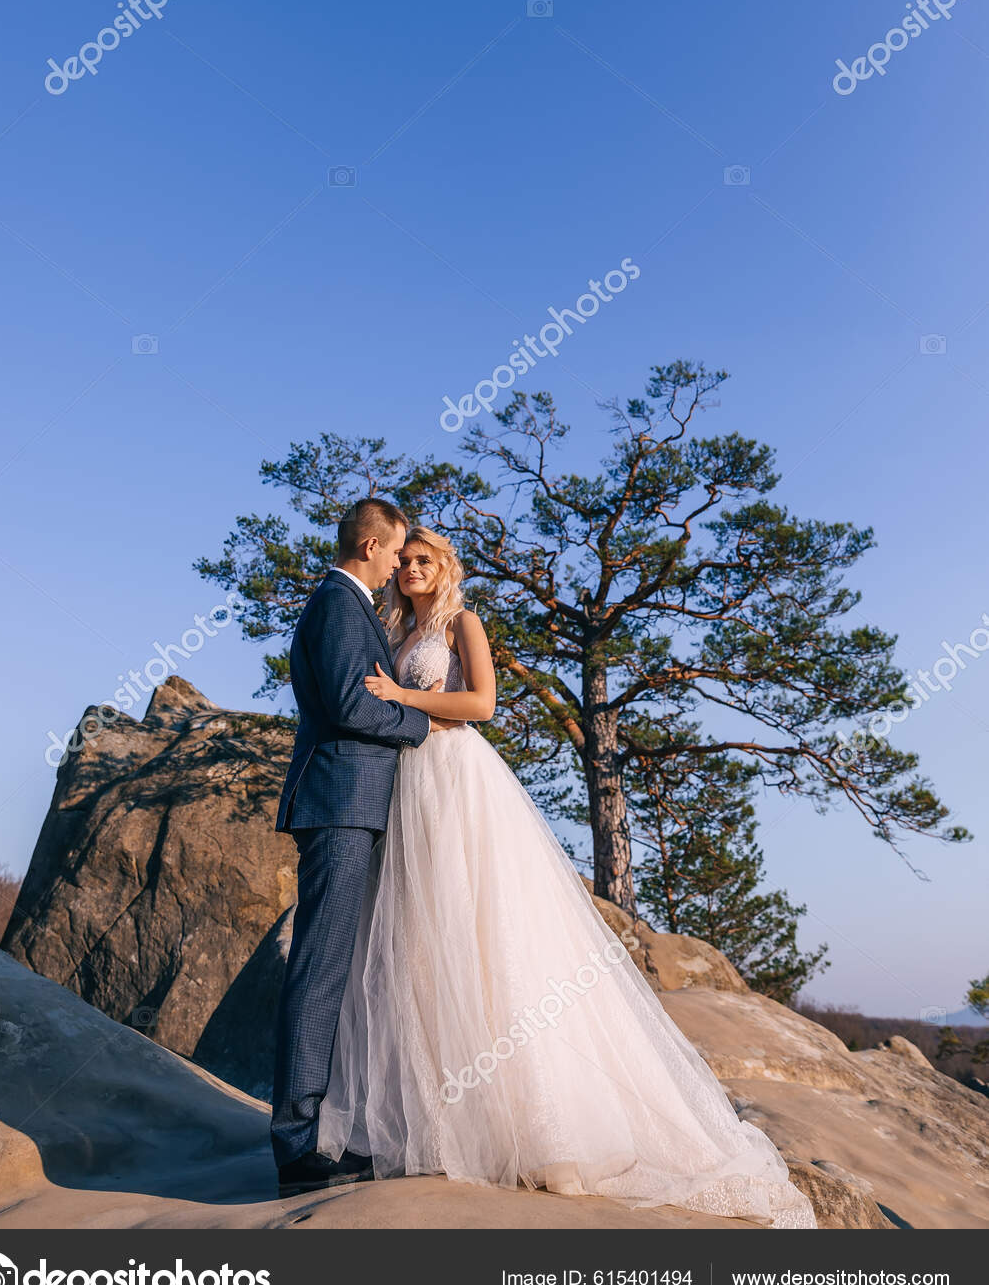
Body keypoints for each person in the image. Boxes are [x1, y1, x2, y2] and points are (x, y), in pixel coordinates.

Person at [315, 524, 816, 1228]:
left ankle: (530, 1125)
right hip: (404, 785)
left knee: (477, 935)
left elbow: (482, 705)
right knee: (416, 951)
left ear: (446, 566)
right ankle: (428, 1121)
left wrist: (402, 699)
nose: (411, 569)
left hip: (453, 780)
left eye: (424, 560)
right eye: (405, 561)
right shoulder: (394, 627)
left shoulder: (463, 621)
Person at [270, 498, 452, 1197]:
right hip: (339, 804)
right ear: (371, 545)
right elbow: (350, 705)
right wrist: (418, 725)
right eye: (396, 551)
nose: (399, 564)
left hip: (355, 805)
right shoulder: (340, 606)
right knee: (319, 970)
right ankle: (295, 1146)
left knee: (342, 970)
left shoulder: (348, 607)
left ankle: (322, 1131)